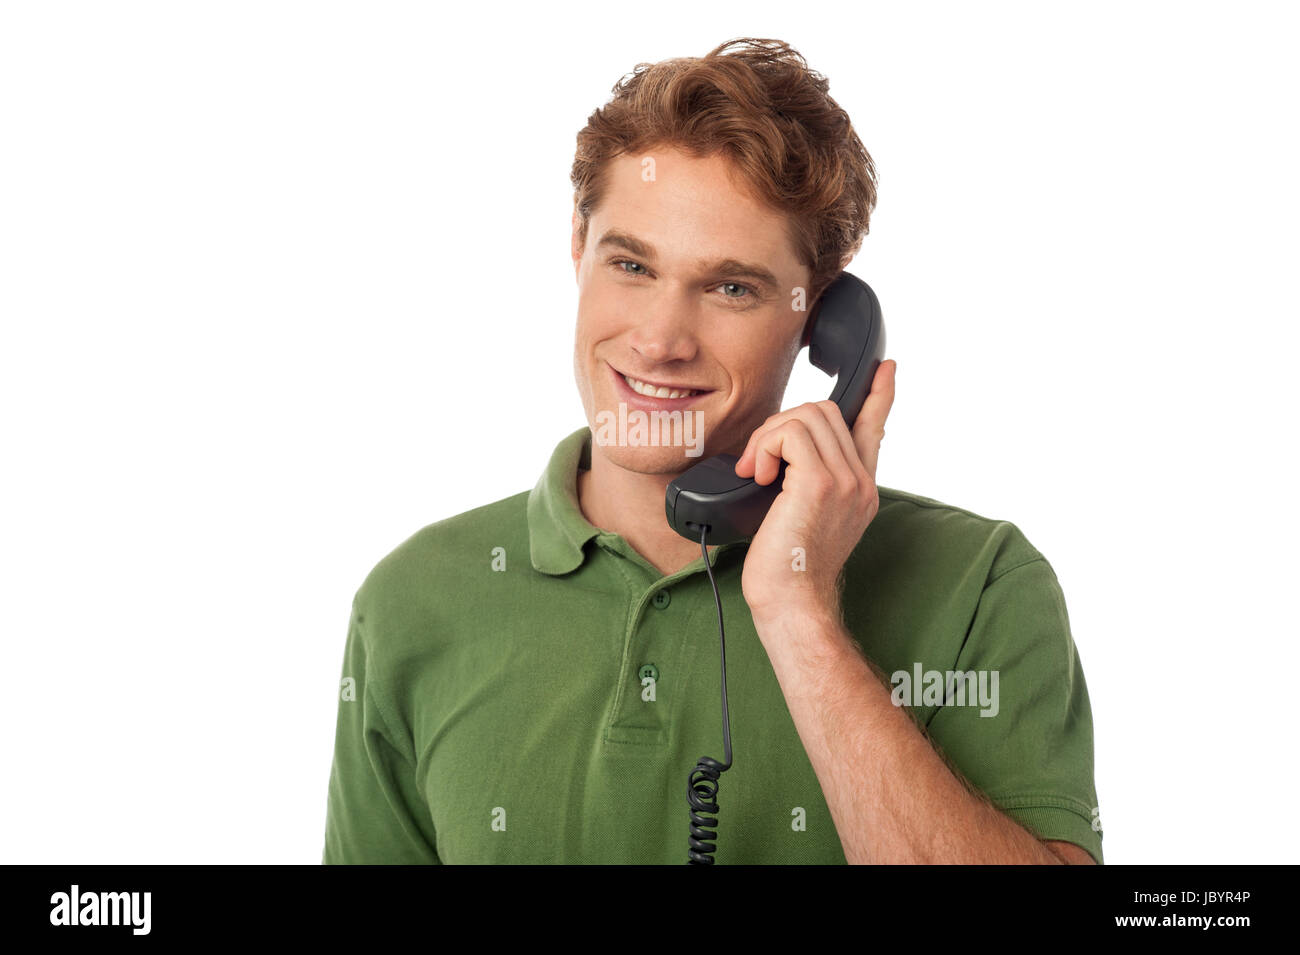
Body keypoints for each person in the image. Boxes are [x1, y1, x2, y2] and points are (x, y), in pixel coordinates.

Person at [322, 37, 1102, 865]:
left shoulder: (980, 582)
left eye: (731, 287)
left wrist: (799, 615)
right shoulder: (413, 603)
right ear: (576, 248)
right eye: (630, 263)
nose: (660, 341)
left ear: (824, 321)